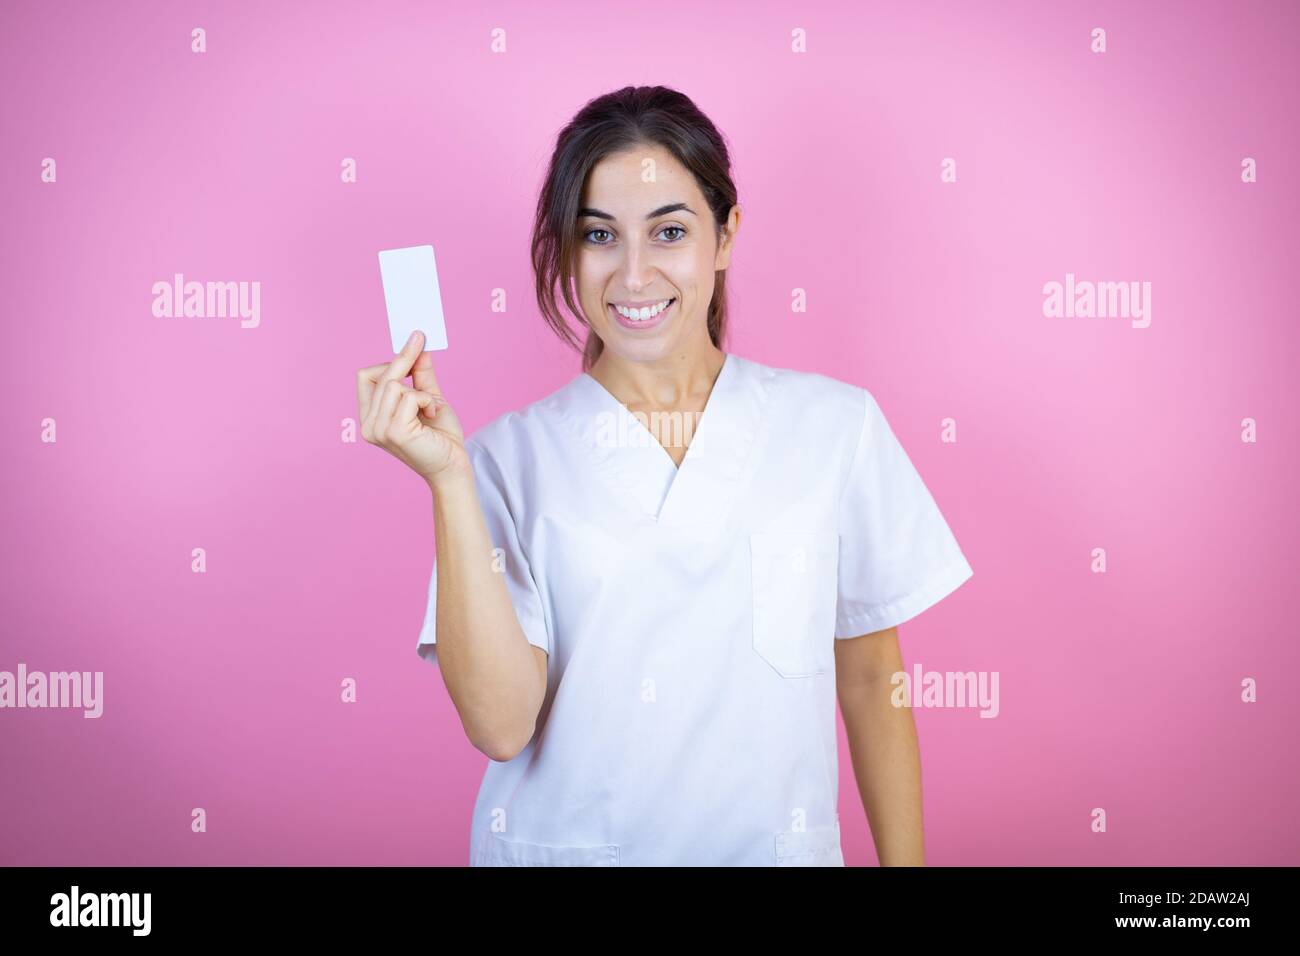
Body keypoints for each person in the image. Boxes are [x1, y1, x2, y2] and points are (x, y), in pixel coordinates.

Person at [357, 86, 973, 866]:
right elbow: (500, 726)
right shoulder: (499, 462)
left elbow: (872, 681)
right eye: (599, 236)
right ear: (566, 251)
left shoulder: (835, 428)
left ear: (726, 235)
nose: (636, 274)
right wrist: (447, 480)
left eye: (670, 231)